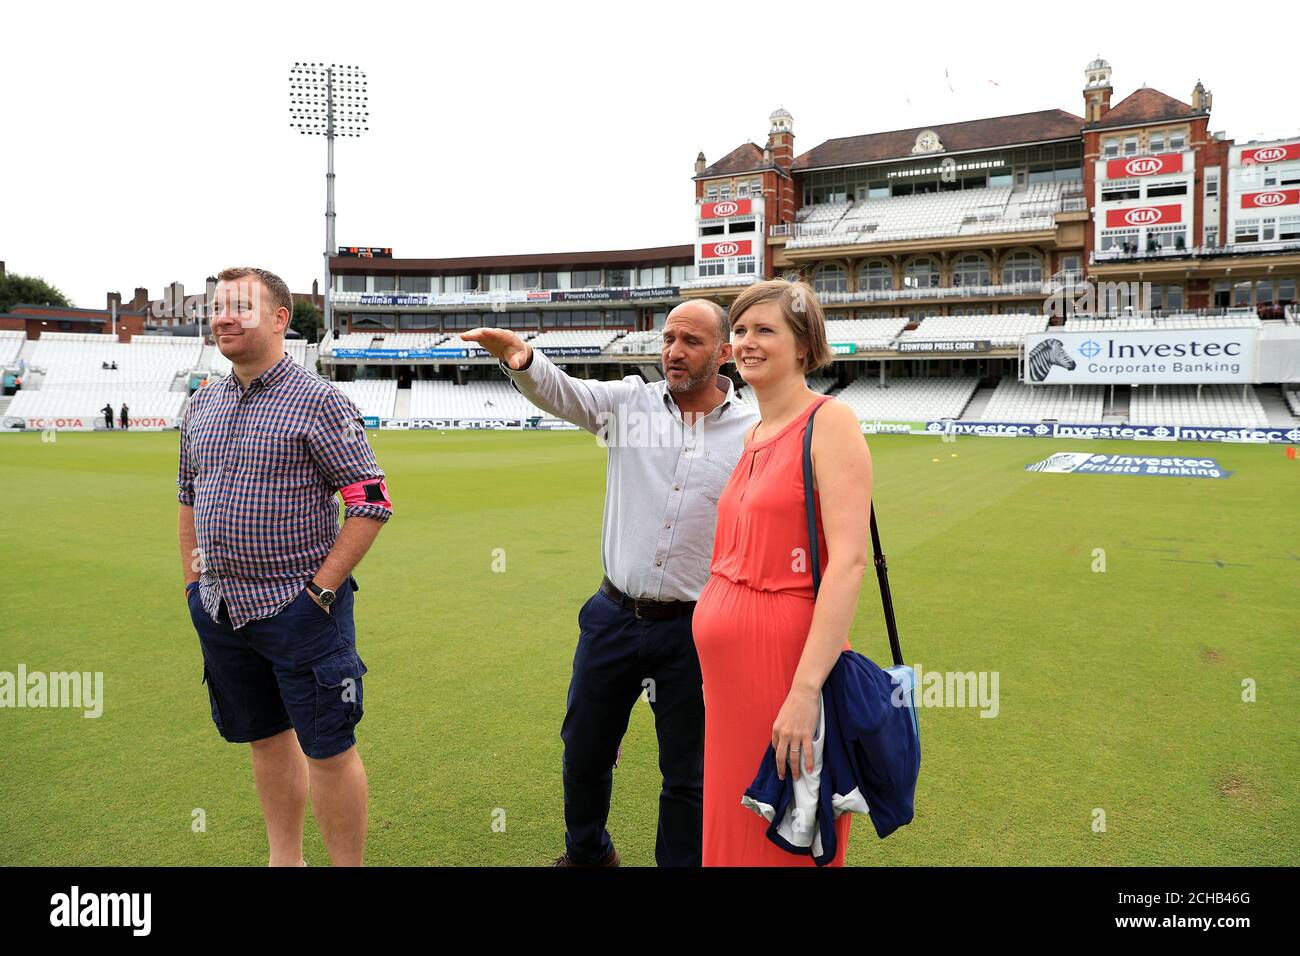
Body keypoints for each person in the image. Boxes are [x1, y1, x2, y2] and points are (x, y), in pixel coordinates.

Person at [463, 302, 758, 867]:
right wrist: (523, 359)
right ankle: (588, 854)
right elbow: (566, 394)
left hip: (697, 633)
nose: (673, 351)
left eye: (691, 341)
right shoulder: (631, 402)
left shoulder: (754, 432)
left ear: (723, 353)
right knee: (584, 750)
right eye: (668, 338)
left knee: (688, 774)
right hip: (613, 617)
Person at [178, 266, 392, 866]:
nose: (223, 316)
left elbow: (371, 503)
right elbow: (188, 497)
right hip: (222, 609)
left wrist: (320, 594)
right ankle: (285, 861)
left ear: (279, 319)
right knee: (266, 741)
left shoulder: (319, 402)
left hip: (301, 611)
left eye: (239, 306)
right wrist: (194, 585)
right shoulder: (201, 405)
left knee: (328, 748)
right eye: (217, 306)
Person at [691, 279, 874, 867]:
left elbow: (847, 562)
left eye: (764, 330)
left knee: (783, 829)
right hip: (730, 682)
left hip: (787, 670)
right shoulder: (753, 433)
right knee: (734, 816)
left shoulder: (831, 421)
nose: (746, 341)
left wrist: (803, 693)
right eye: (739, 330)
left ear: (803, 346)